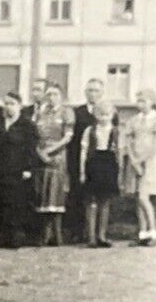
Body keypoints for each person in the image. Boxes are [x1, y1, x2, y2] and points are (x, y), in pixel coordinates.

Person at [0, 93, 37, 248]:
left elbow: (31, 148)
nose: (8, 107)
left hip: (16, 170)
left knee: (14, 203)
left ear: (20, 106)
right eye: (6, 103)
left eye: (12, 103)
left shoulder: (27, 126)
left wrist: (28, 168)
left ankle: (14, 237)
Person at [68, 78, 110, 243]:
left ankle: (100, 234)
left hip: (102, 162)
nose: (93, 93)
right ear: (85, 92)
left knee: (102, 198)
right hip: (82, 159)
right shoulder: (78, 112)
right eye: (90, 90)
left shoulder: (108, 111)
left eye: (96, 90)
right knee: (80, 196)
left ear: (102, 93)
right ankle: (80, 233)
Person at [32, 82, 74, 246]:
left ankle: (57, 235)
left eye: (55, 94)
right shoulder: (40, 113)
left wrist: (50, 151)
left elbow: (67, 137)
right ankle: (45, 234)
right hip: (41, 157)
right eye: (49, 94)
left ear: (61, 96)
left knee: (55, 194)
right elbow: (34, 135)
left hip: (57, 156)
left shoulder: (66, 112)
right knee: (42, 194)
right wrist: (39, 152)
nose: (51, 98)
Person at [122, 88, 156, 245]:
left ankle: (153, 233)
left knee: (144, 196)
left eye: (143, 101)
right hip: (135, 160)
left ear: (151, 102)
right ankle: (142, 233)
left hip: (150, 161)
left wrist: (142, 160)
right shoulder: (134, 120)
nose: (140, 104)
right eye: (138, 101)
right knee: (138, 197)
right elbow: (128, 140)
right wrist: (133, 159)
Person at [80, 98, 122, 248]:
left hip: (109, 165)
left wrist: (120, 172)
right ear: (95, 115)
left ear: (112, 114)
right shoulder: (89, 131)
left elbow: (119, 152)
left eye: (107, 115)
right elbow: (84, 151)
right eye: (100, 114)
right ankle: (91, 237)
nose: (104, 118)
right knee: (91, 202)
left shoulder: (116, 131)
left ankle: (102, 235)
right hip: (93, 164)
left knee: (105, 202)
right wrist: (82, 171)